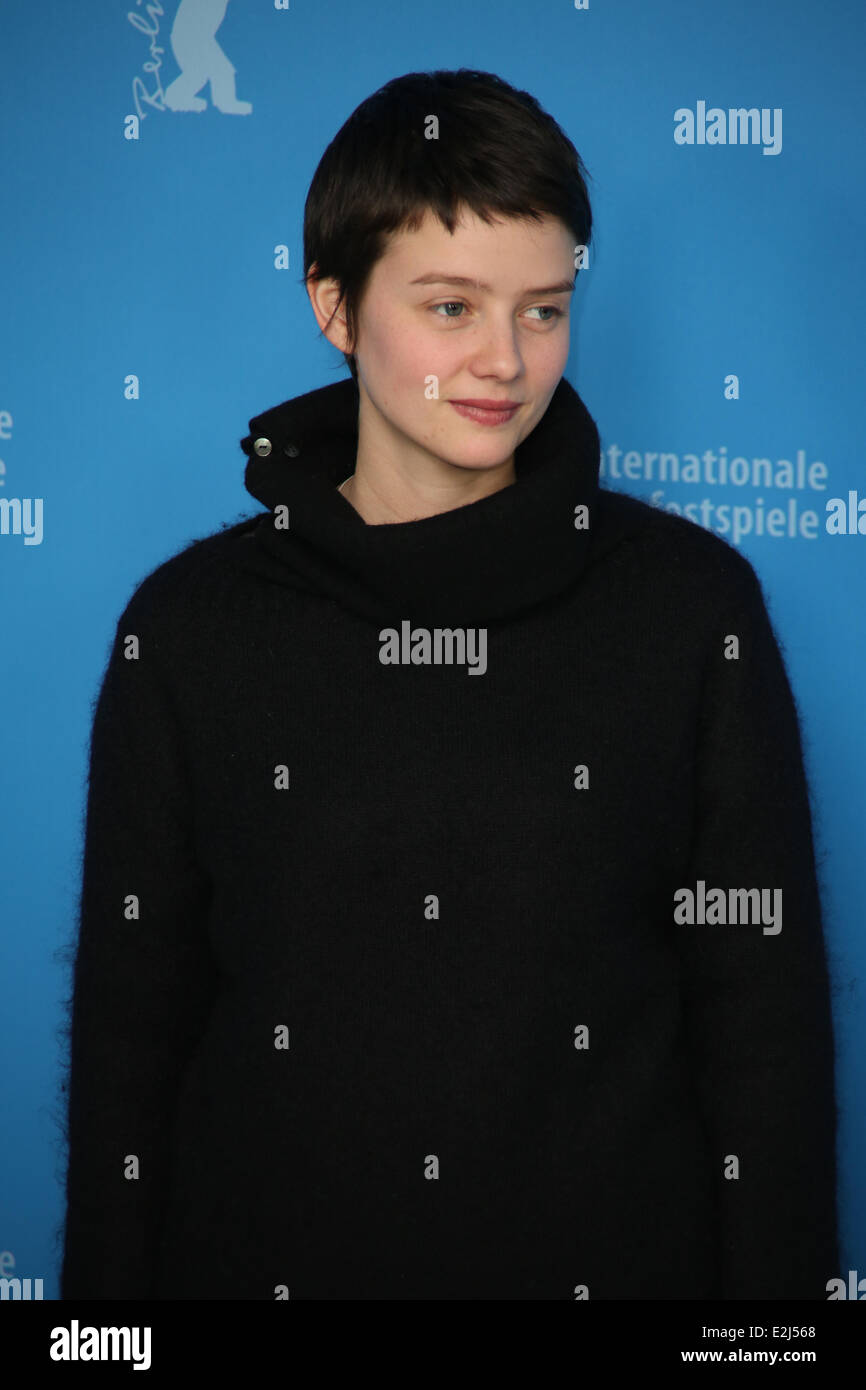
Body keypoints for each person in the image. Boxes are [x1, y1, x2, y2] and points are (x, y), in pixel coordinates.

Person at [59, 68, 839, 1300]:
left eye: (542, 309)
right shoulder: (192, 630)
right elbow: (130, 1040)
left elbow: (762, 1034)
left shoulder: (690, 610)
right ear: (334, 306)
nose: (503, 361)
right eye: (449, 306)